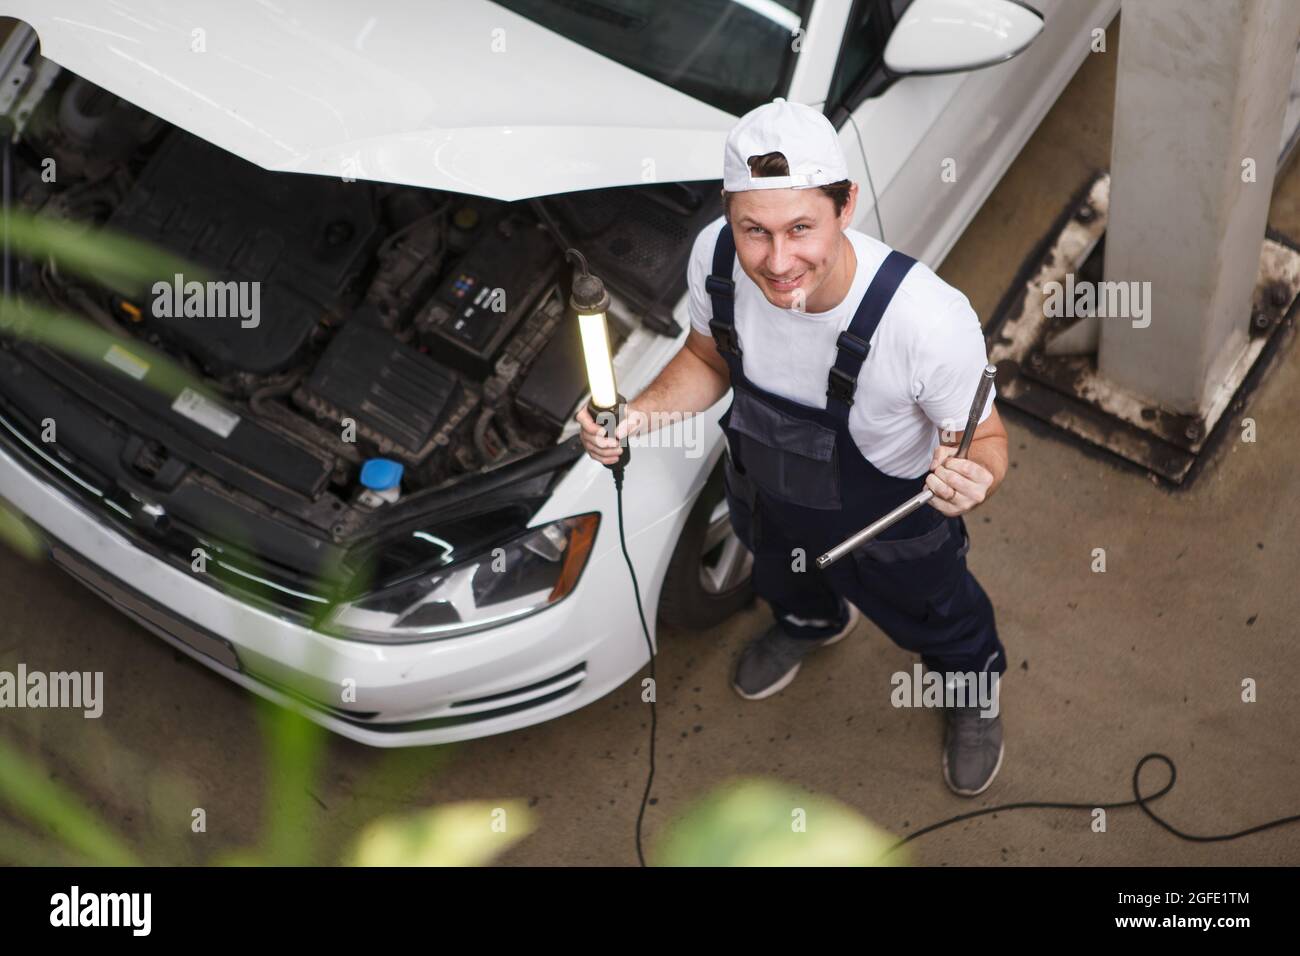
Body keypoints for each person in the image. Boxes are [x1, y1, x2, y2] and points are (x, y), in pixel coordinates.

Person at [577, 98, 1010, 796]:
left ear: (846, 205)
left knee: (942, 616)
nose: (778, 262)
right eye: (754, 231)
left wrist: (976, 478)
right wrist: (637, 413)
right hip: (768, 493)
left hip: (889, 521)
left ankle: (971, 695)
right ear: (728, 214)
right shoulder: (715, 259)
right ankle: (811, 624)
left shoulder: (926, 321)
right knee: (784, 580)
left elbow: (985, 437)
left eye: (801, 227)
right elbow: (709, 357)